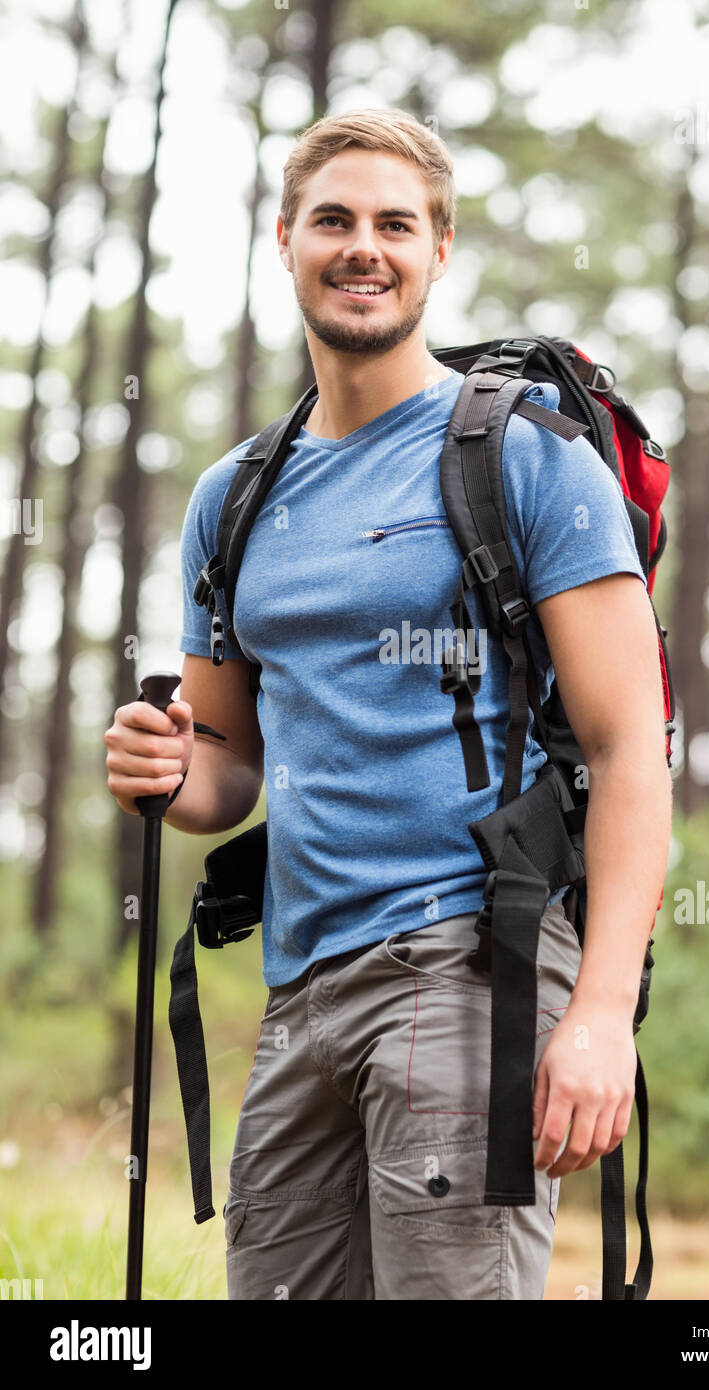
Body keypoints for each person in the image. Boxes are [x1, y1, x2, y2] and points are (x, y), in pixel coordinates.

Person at [104, 107, 672, 1300]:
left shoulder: (520, 454)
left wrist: (600, 1013)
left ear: (439, 251)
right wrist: (165, 768)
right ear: (285, 241)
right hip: (300, 986)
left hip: (468, 961)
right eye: (334, 220)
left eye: (393, 224)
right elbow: (226, 766)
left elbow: (630, 750)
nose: (363, 246)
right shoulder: (236, 496)